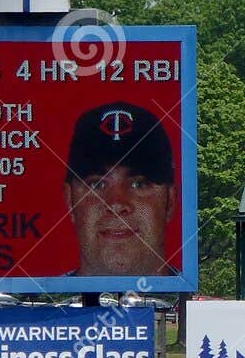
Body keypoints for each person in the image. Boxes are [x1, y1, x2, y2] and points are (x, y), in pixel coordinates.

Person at [63, 101, 178, 277]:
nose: (116, 204)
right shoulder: (55, 305)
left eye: (139, 184)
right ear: (70, 201)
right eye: (97, 184)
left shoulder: (199, 305)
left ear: (169, 202)